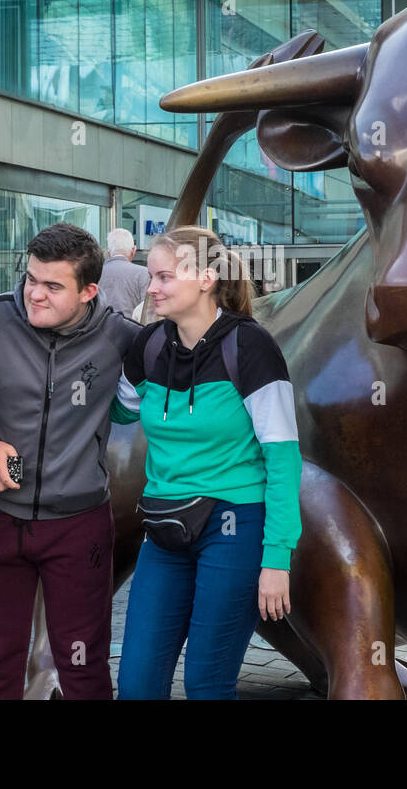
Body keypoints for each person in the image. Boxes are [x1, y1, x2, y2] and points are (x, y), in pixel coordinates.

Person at [111, 226, 302, 700]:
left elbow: (283, 458)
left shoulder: (251, 348)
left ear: (206, 278)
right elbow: (117, 411)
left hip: (233, 524)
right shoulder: (150, 345)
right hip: (165, 527)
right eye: (151, 276)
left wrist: (276, 559)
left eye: (164, 276)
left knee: (207, 684)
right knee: (135, 684)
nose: (151, 287)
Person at [0, 223, 139, 699]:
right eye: (31, 279)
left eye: (53, 286)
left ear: (89, 291)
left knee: (82, 664)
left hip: (79, 526)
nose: (35, 294)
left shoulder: (121, 337)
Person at [97, 228, 151, 320]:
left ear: (109, 252)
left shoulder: (96, 273)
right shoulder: (144, 273)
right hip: (134, 331)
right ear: (133, 250)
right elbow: (148, 311)